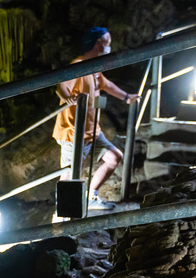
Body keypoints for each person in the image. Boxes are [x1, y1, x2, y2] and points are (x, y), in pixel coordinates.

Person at [52, 27, 139, 210]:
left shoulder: (94, 68)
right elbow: (61, 86)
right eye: (107, 43)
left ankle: (91, 196)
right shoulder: (79, 65)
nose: (109, 47)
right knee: (69, 174)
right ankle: (64, 211)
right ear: (98, 43)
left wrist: (126, 97)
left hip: (93, 132)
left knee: (114, 157)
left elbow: (107, 86)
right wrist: (67, 97)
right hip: (73, 132)